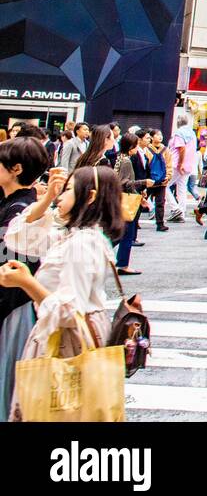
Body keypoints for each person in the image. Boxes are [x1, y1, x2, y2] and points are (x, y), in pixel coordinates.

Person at [0, 164, 123, 421]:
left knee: (59, 411)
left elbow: (69, 312)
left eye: (67, 189)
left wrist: (27, 283)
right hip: (65, 334)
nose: (60, 195)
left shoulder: (82, 243)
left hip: (70, 340)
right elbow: (18, 237)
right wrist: (46, 199)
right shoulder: (75, 236)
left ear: (89, 197)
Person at [0, 137, 49, 416]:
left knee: (8, 384)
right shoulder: (15, 203)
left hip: (13, 306)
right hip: (13, 305)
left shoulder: (21, 210)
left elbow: (11, 263)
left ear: (16, 169)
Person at [112, 132, 152, 275]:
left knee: (120, 232)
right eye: (135, 146)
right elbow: (125, 182)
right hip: (127, 201)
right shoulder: (127, 161)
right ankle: (122, 264)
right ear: (131, 147)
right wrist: (143, 183)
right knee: (126, 233)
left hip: (121, 198)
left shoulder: (120, 158)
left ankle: (117, 260)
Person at [167, 111, 200, 221]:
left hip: (177, 164)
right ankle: (181, 212)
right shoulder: (192, 133)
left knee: (165, 186)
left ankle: (175, 208)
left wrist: (180, 163)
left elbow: (181, 148)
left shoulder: (179, 133)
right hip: (189, 165)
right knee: (181, 188)